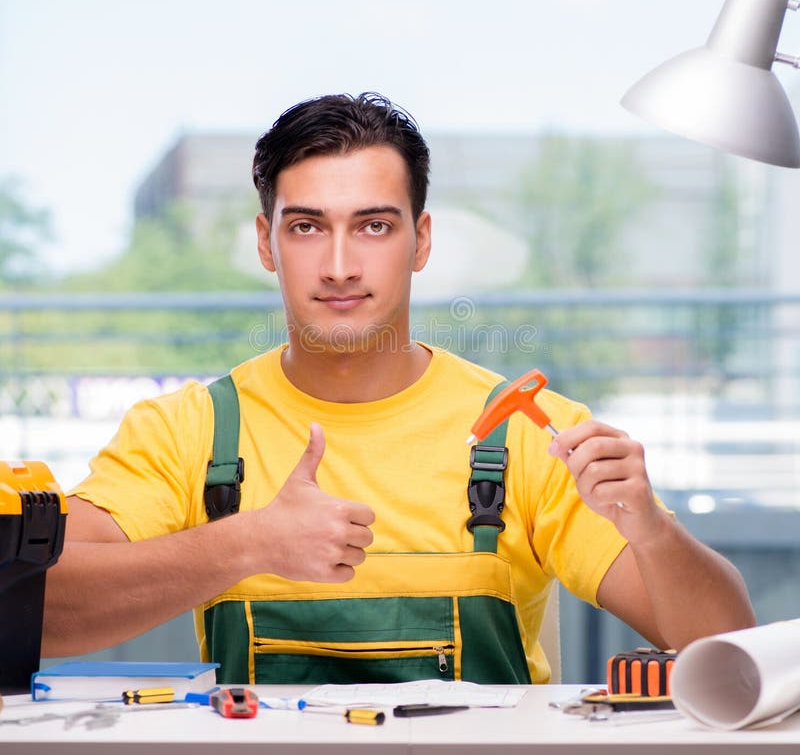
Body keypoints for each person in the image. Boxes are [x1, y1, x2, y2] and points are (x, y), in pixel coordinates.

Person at [43, 92, 755, 684]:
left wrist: (651, 530)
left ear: (421, 240)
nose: (340, 265)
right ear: (265, 242)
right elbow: (39, 610)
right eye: (307, 227)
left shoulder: (531, 434)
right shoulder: (188, 430)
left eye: (374, 226)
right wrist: (245, 545)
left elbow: (728, 653)